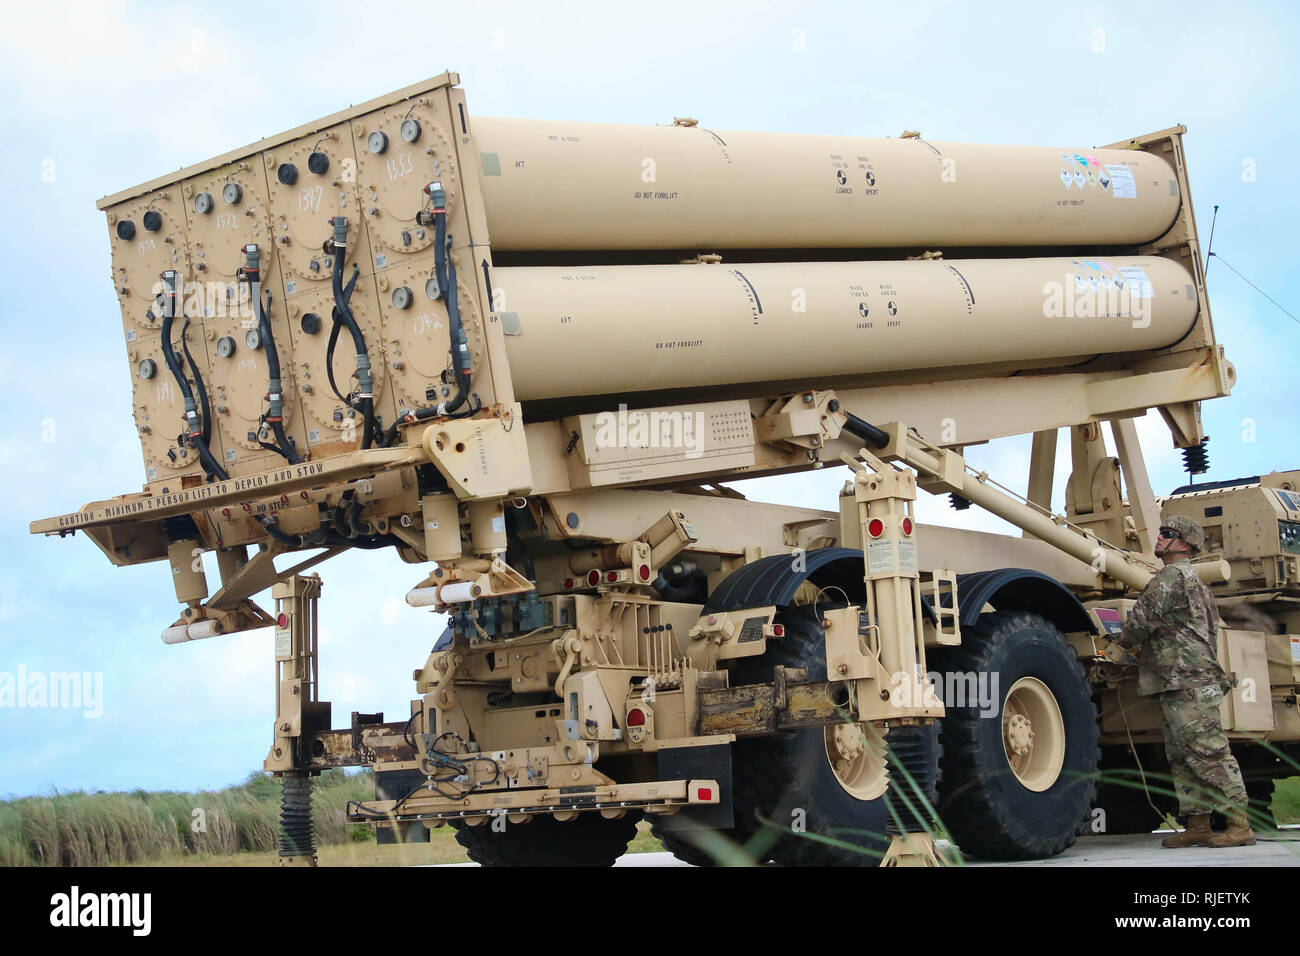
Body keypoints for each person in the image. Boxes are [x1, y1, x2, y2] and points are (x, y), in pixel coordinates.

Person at [1116, 514, 1255, 848]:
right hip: (1181, 681)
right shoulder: (1194, 581)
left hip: (1187, 681)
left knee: (1208, 753)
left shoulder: (1172, 576)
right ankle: (1199, 824)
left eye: (1168, 534)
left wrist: (1122, 642)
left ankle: (1240, 825)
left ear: (1185, 544)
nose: (1159, 538)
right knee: (1183, 756)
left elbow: (1140, 622)